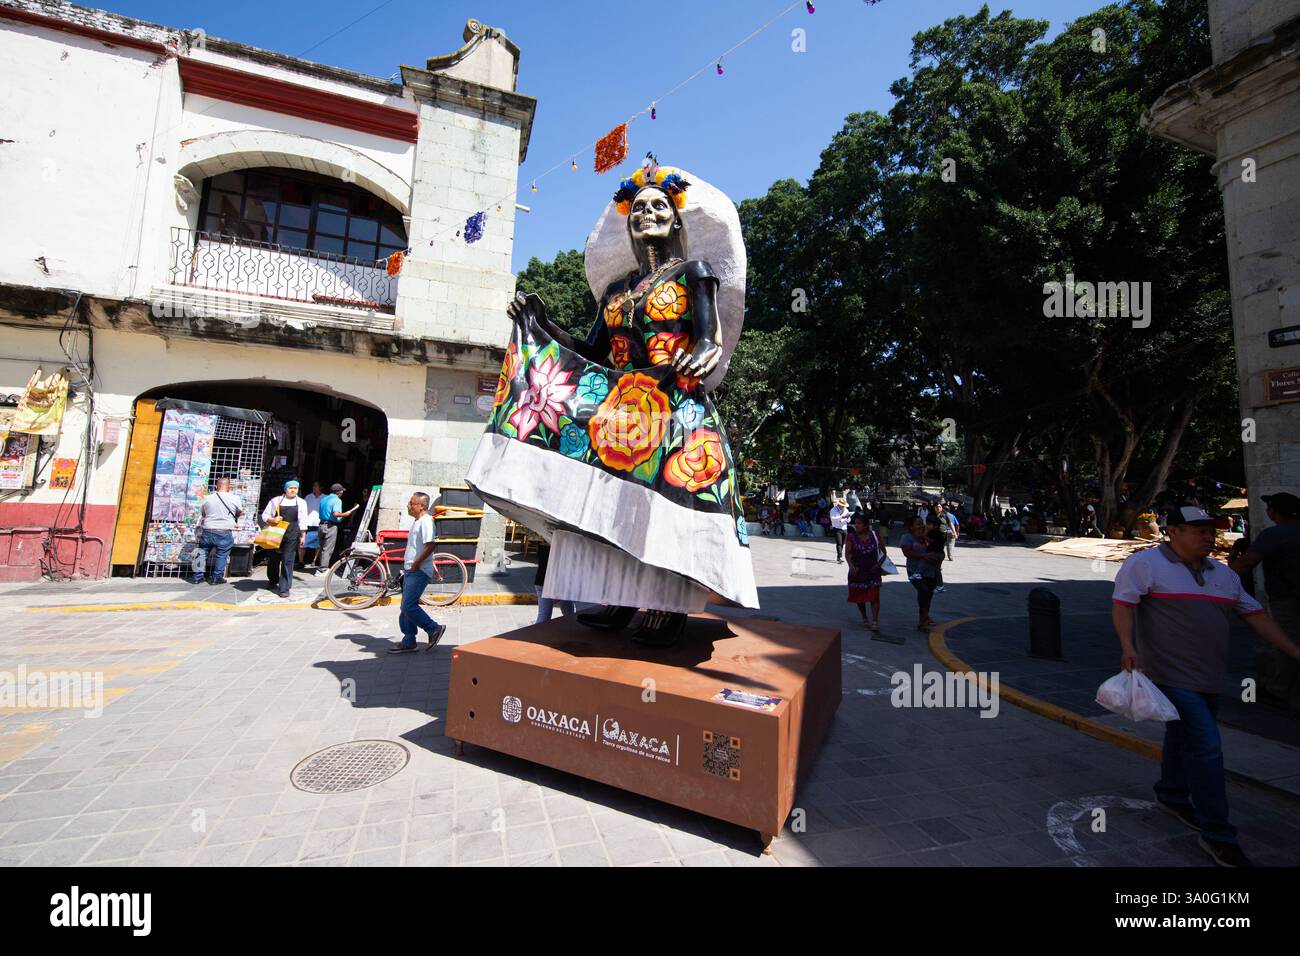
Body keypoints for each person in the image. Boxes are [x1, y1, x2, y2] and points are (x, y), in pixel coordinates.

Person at [1112, 504, 1300, 867]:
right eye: (1198, 529)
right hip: (1170, 675)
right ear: (1173, 531)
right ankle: (1219, 834)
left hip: (1210, 676)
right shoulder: (1146, 563)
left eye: (1210, 530)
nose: (1208, 536)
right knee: (1207, 746)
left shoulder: (1223, 575)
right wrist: (1128, 646)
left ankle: (1171, 794)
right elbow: (1123, 604)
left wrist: (1294, 650)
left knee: (1183, 737)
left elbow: (1255, 615)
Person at [1228, 492, 1300, 712]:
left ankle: (1279, 690)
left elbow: (1247, 562)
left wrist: (1224, 575)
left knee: (1284, 642)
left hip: (1287, 597)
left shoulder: (1275, 534)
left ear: (1275, 512)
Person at [388, 492, 448, 654]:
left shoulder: (426, 521)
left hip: (419, 570)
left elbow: (430, 545)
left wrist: (416, 564)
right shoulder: (417, 522)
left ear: (421, 506)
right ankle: (409, 641)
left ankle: (433, 628)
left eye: (411, 503)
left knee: (408, 606)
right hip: (410, 570)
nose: (408, 505)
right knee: (405, 607)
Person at [192, 477, 243, 584]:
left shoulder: (207, 498)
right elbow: (239, 513)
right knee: (222, 555)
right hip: (224, 530)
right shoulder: (235, 498)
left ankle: (197, 577)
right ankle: (216, 577)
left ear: (217, 486)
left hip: (208, 529)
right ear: (229, 486)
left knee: (202, 553)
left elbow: (203, 513)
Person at [261, 480, 304, 597]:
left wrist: (303, 535)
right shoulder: (275, 500)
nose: (293, 490)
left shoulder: (301, 502)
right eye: (291, 488)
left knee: (288, 560)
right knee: (273, 560)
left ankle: (284, 588)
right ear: (285, 489)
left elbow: (303, 520)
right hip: (276, 533)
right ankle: (272, 581)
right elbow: (264, 515)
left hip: (292, 533)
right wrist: (272, 519)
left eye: (296, 488)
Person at [899, 516, 941, 631]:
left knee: (928, 595)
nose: (921, 525)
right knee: (923, 591)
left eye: (922, 523)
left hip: (931, 570)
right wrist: (924, 556)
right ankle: (924, 619)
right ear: (911, 527)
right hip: (914, 570)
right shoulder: (907, 538)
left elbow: (937, 547)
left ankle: (923, 619)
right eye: (918, 524)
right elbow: (907, 553)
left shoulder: (928, 536)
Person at [845, 513, 883, 630]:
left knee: (874, 596)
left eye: (859, 523)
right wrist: (851, 566)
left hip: (873, 571)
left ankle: (875, 621)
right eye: (856, 523)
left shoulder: (875, 536)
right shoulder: (851, 537)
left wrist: (878, 564)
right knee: (859, 596)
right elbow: (847, 553)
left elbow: (883, 552)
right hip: (857, 571)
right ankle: (864, 617)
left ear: (866, 525)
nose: (857, 526)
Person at [316, 483, 358, 571]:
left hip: (321, 525)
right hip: (330, 526)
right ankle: (322, 569)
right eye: (342, 491)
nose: (342, 492)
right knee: (328, 548)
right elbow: (336, 514)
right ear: (338, 492)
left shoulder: (324, 499)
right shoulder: (337, 500)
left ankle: (321, 566)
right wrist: (345, 514)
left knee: (323, 547)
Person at [534, 541, 577, 623]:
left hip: (541, 582)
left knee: (544, 616)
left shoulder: (542, 543)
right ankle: (572, 633)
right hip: (557, 584)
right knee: (569, 614)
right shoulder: (561, 545)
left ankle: (536, 634)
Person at [300, 481, 323, 571]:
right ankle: (301, 561)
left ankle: (315, 560)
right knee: (303, 543)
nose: (314, 487)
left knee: (318, 544)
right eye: (313, 486)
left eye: (316, 486)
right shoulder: (308, 497)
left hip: (318, 523)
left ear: (321, 488)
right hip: (307, 523)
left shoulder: (324, 498)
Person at [829, 496, 850, 564]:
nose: (843, 507)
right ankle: (840, 556)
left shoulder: (846, 510)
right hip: (837, 528)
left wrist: (847, 518)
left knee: (842, 543)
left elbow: (849, 520)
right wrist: (841, 517)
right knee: (839, 543)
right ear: (839, 504)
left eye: (844, 505)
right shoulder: (833, 510)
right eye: (842, 505)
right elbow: (833, 518)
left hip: (844, 528)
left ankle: (839, 556)